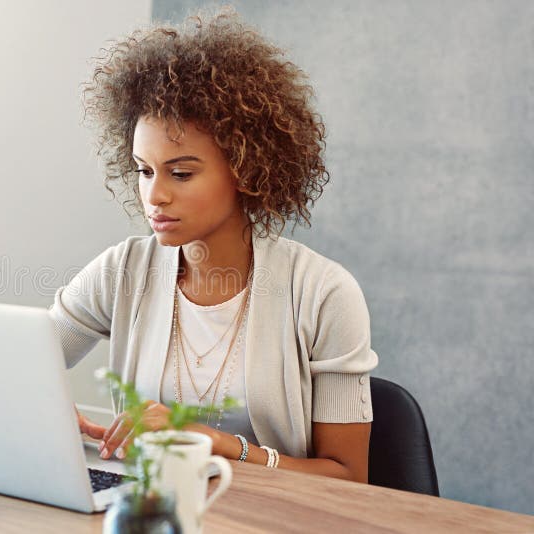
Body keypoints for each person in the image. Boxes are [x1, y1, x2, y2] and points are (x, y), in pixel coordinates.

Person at [49, 10, 378, 483]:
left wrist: (219, 445)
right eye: (144, 170)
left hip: (273, 515)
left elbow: (348, 477)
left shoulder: (323, 294)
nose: (154, 195)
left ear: (247, 167)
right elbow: (19, 365)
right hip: (153, 507)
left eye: (181, 173)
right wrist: (49, 417)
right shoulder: (123, 270)